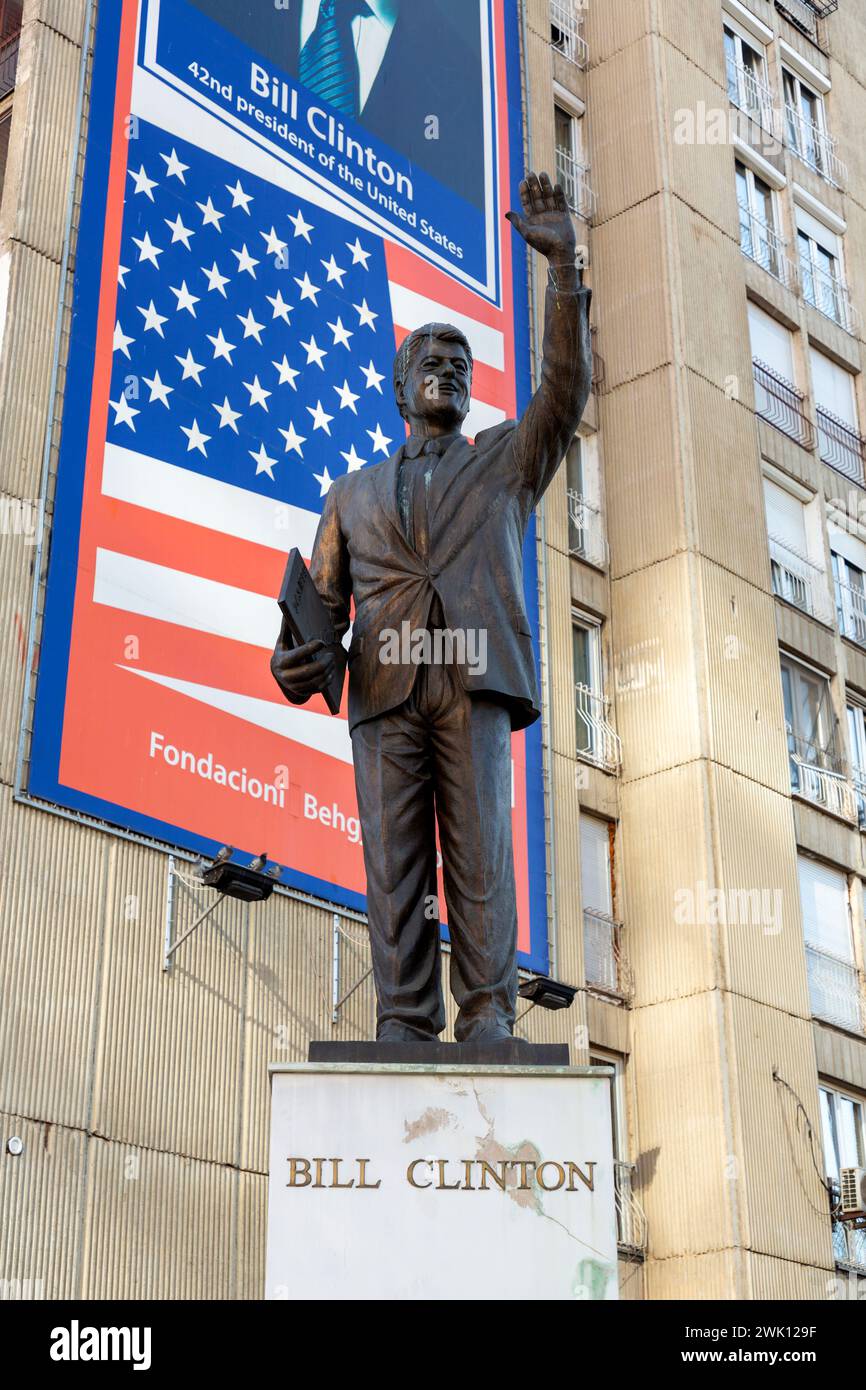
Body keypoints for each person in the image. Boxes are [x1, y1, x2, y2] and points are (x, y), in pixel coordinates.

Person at [271, 172, 593, 1043]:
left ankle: (488, 1013)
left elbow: (565, 391)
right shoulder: (351, 494)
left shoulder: (505, 462)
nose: (447, 372)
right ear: (400, 387)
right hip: (383, 689)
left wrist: (564, 268)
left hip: (472, 678)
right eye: (431, 363)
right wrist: (294, 660)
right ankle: (404, 1019)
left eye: (460, 366)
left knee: (481, 852)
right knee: (395, 866)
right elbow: (321, 612)